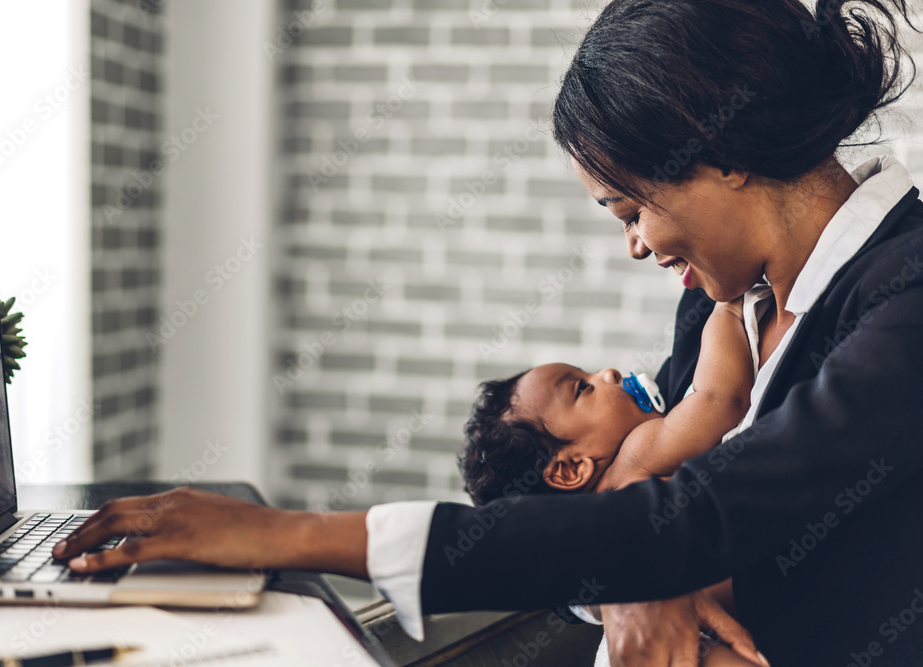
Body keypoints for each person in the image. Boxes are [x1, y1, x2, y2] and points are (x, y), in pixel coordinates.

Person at [52, 0, 923, 664]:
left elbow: (698, 516)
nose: (638, 246)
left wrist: (287, 533)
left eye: (630, 208)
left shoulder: (905, 296)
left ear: (724, 149)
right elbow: (656, 498)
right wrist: (634, 574)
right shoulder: (724, 301)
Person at [459, 297, 754, 506]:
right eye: (583, 388)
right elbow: (719, 398)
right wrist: (726, 309)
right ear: (571, 469)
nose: (608, 373)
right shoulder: (634, 461)